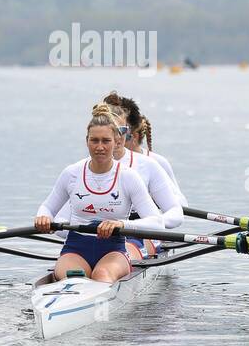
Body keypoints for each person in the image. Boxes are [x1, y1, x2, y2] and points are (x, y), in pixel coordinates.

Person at [34, 103, 164, 283]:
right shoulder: (72, 173)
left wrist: (120, 224)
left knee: (102, 275)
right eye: (94, 140)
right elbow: (47, 207)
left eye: (106, 141)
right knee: (73, 279)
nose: (100, 147)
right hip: (76, 247)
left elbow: (157, 223)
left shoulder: (128, 177)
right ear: (86, 140)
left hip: (113, 249)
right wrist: (43, 217)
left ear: (117, 141)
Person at [102, 92, 187, 207]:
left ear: (134, 135)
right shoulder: (97, 162)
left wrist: (154, 199)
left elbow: (182, 204)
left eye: (119, 130)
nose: (111, 137)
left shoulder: (155, 163)